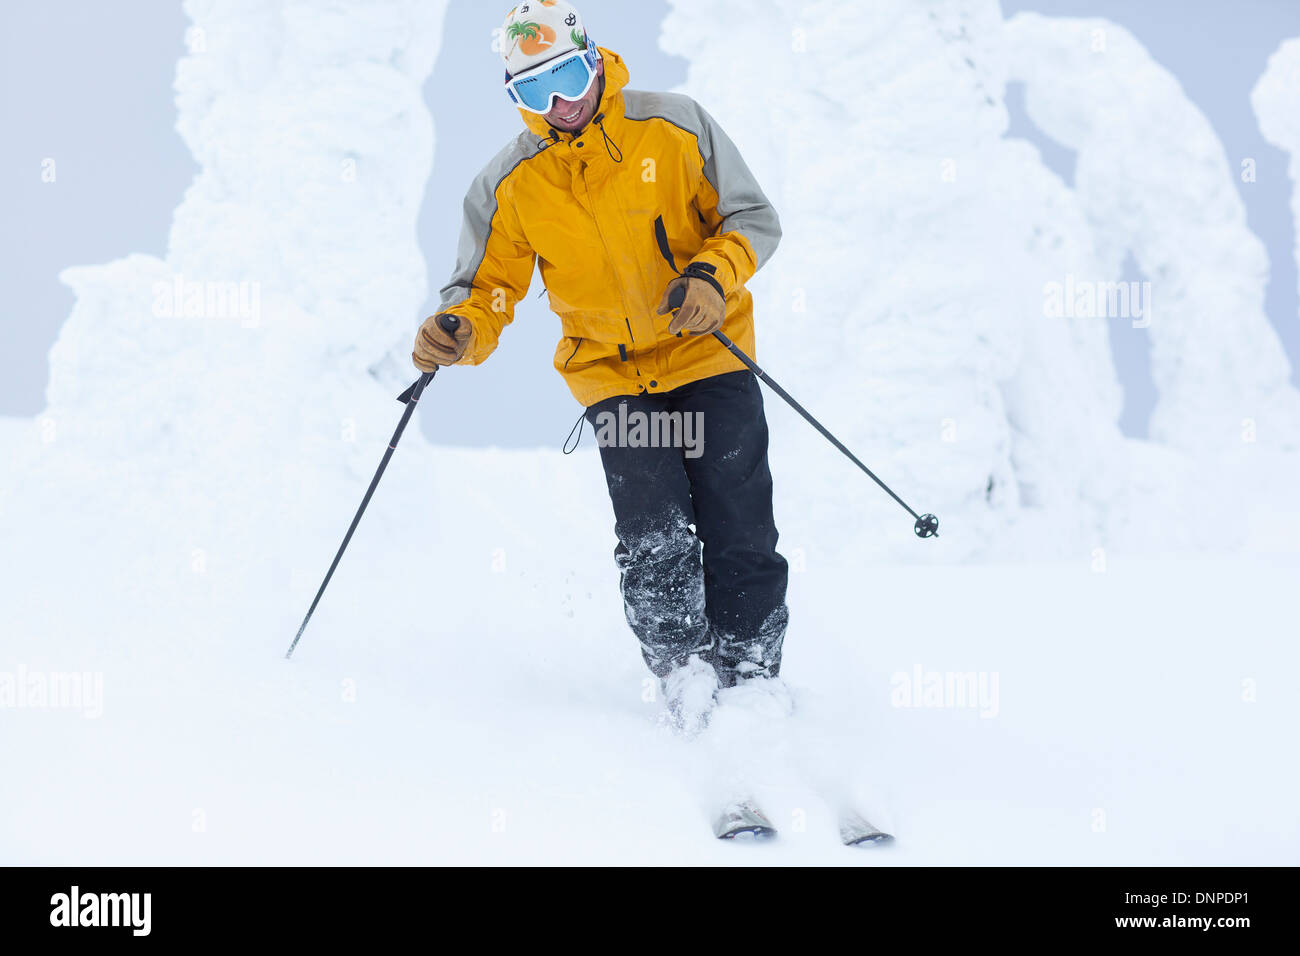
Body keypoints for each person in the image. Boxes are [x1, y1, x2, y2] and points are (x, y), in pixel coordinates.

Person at [413, 1, 789, 734]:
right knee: (655, 532)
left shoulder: (675, 126)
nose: (559, 104)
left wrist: (712, 279)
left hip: (709, 356)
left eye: (565, 77)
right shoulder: (512, 184)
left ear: (593, 59)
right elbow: (486, 289)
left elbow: (750, 219)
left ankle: (751, 670)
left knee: (738, 523)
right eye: (532, 92)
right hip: (614, 379)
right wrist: (460, 330)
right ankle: (683, 672)